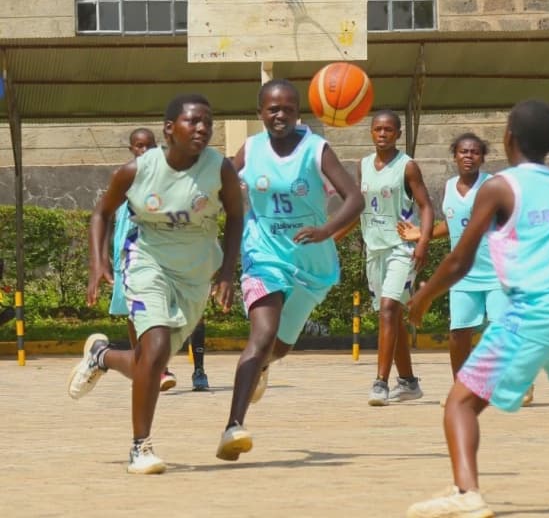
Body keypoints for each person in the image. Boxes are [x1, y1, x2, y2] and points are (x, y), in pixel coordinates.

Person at [405, 100, 549, 518]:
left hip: (538, 311)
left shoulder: (501, 186)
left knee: (460, 404)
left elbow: (459, 259)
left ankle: (467, 493)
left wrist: (424, 294)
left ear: (509, 139)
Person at [69, 93, 244, 474]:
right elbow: (101, 212)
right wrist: (98, 261)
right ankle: (140, 447)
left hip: (195, 271)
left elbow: (235, 216)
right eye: (193, 121)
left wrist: (228, 272)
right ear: (170, 129)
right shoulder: (137, 170)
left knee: (152, 361)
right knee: (157, 345)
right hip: (147, 261)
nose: (202, 129)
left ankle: (100, 356)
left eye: (208, 123)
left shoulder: (220, 169)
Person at [215, 79, 364, 461]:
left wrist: (326, 230)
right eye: (272, 108)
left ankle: (263, 367)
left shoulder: (316, 150)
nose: (280, 114)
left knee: (280, 347)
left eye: (288, 108)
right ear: (260, 112)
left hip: (311, 265)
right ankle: (233, 426)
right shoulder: (251, 149)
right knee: (262, 334)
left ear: (299, 112)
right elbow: (220, 182)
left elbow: (355, 198)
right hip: (263, 255)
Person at [398, 133, 535, 406]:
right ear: (455, 156)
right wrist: (421, 234)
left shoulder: (494, 186)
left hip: (496, 272)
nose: (468, 156)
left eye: (474, 152)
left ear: (483, 158)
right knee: (458, 333)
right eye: (463, 152)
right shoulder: (449, 187)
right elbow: (452, 223)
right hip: (463, 274)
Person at [336, 110, 434, 406]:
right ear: (371, 133)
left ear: (398, 134)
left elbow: (426, 206)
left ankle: (380, 383)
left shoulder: (408, 167)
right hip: (374, 249)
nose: (382, 134)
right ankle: (408, 382)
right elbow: (359, 209)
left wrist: (423, 242)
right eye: (378, 129)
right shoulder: (363, 166)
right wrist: (330, 237)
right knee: (392, 316)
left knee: (389, 309)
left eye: (388, 130)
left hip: (401, 248)